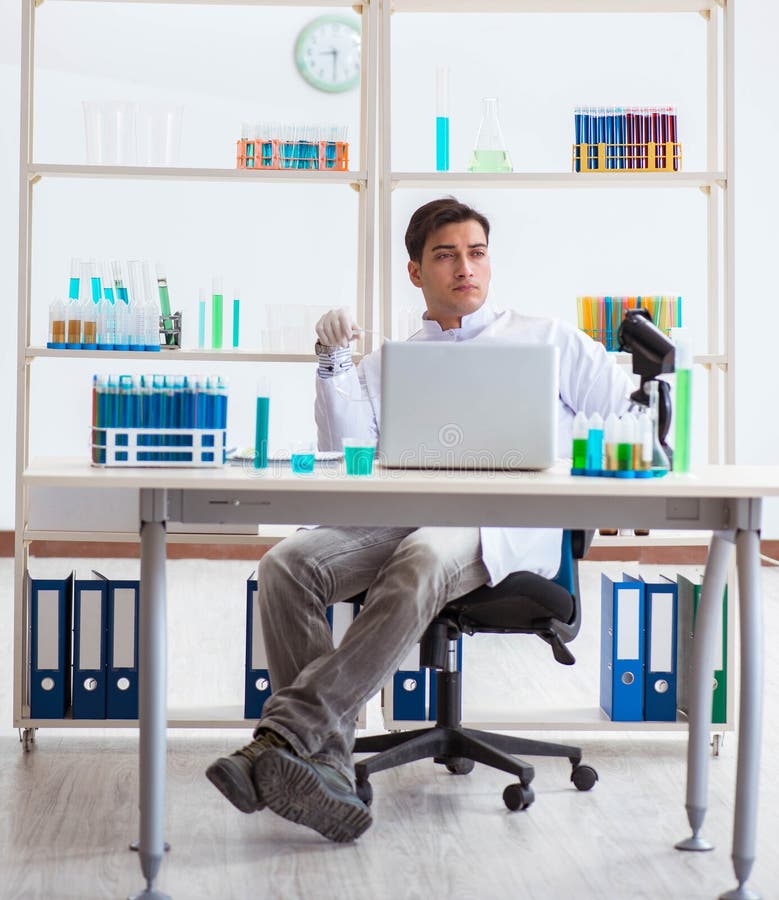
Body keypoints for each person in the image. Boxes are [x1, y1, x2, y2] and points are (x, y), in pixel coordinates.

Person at [206, 197, 634, 842]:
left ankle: (288, 736)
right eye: (446, 255)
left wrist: (579, 465)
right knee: (287, 565)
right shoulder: (392, 362)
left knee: (425, 555)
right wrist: (331, 360)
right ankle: (325, 769)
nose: (465, 267)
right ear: (416, 271)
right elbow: (345, 449)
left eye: (476, 253)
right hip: (405, 518)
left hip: (501, 525)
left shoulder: (547, 340)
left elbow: (632, 412)